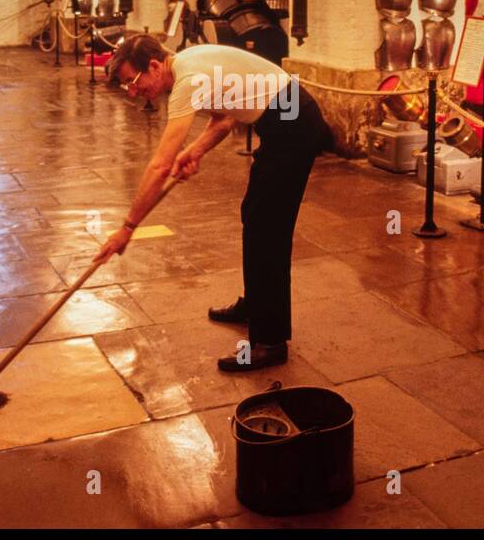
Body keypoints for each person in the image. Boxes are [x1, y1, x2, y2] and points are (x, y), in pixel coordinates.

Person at [96, 35, 332, 371]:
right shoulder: (187, 65)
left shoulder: (188, 79)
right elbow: (224, 119)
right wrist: (195, 151)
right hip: (283, 120)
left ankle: (269, 342)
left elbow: (160, 165)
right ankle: (257, 305)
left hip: (294, 124)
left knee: (268, 231)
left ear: (153, 65)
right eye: (126, 87)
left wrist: (128, 227)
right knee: (254, 214)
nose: (133, 92)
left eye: (132, 82)